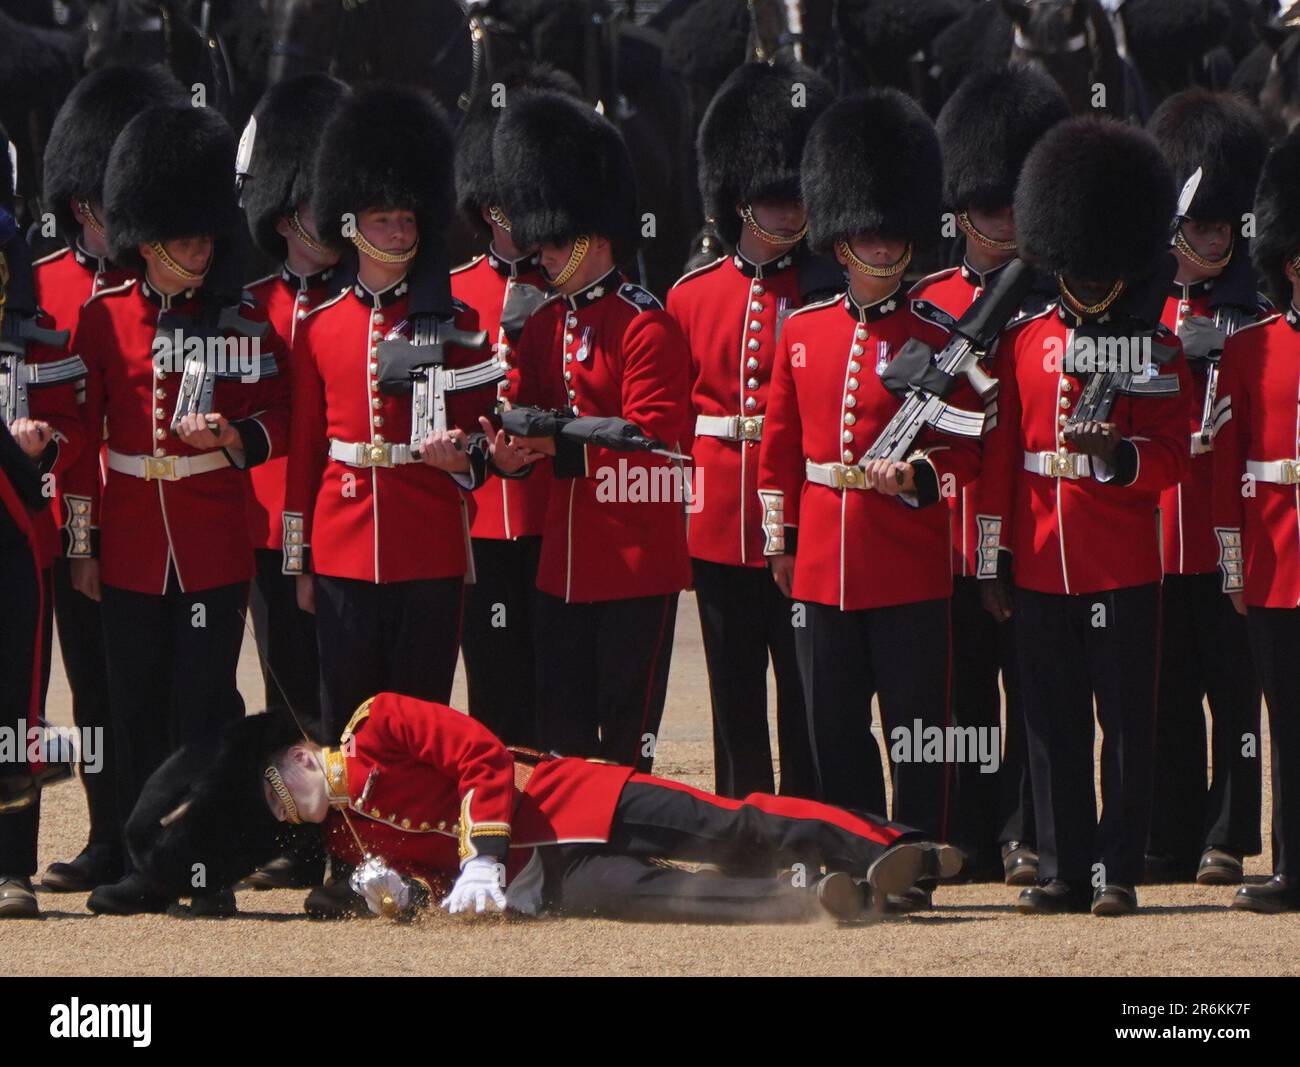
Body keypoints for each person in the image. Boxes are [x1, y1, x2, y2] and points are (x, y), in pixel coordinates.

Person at [113, 692, 962, 923]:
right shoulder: (346, 836)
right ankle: (813, 901)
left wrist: (481, 851)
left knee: (727, 825)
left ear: (299, 752)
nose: (288, 806)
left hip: (571, 798)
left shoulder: (377, 723)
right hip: (546, 880)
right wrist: (405, 899)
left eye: (279, 784)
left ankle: (888, 844)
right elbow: (425, 881)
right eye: (275, 810)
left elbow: (478, 751)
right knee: (665, 898)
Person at [757, 89, 983, 909]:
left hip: (908, 562)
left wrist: (919, 480)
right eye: (866, 231)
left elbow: (969, 453)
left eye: (892, 231)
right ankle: (851, 861)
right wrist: (779, 543)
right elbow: (779, 453)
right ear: (841, 237)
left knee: (918, 729)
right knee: (834, 728)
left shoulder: (937, 338)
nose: (881, 244)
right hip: (821, 558)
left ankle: (915, 862)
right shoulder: (805, 330)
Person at [65, 103, 293, 916]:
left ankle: (207, 868)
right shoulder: (102, 318)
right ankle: (143, 864)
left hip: (210, 545)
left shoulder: (243, 320)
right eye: (185, 238)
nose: (201, 251)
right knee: (135, 708)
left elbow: (282, 414)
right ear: (148, 238)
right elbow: (78, 443)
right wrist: (83, 546)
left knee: (205, 713)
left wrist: (235, 437)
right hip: (128, 543)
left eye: (206, 237)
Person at [977, 117, 1191, 916]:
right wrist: (992, 557)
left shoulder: (1155, 347)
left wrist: (1118, 455)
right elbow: (1001, 458)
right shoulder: (1026, 338)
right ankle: (1065, 867)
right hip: (1039, 558)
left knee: (1124, 727)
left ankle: (1118, 870)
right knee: (1050, 723)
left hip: (1121, 558)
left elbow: (1172, 453)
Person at [283, 83, 501, 743]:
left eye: (408, 220)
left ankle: (420, 847)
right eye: (383, 220)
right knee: (346, 715)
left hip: (429, 541)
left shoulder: (459, 322)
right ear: (351, 224)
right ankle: (352, 848)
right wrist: (301, 559)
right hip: (344, 544)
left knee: (422, 717)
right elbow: (305, 450)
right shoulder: (320, 325)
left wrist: (462, 460)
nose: (399, 232)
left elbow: (486, 437)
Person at [494, 89, 693, 772]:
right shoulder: (548, 324)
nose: (542, 254)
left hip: (633, 558)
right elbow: (520, 408)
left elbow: (650, 439)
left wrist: (553, 443)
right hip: (565, 561)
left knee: (625, 723)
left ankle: (629, 850)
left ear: (597, 235)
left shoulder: (645, 324)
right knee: (564, 721)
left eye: (555, 241)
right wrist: (509, 454)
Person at [912, 64, 1069, 885]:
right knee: (963, 698)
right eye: (989, 206)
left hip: (1029, 524)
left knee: (1035, 694)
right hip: (943, 528)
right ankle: (967, 827)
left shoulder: (1055, 307)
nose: (1003, 221)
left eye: (1016, 204)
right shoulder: (931, 299)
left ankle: (1029, 829)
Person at [35, 64, 187, 896]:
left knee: (156, 689)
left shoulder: (161, 288)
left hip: (148, 521)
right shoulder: (43, 283)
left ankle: (153, 836)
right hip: (67, 520)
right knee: (91, 692)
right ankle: (103, 831)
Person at [665, 58, 834, 801]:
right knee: (732, 688)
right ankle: (740, 819)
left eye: (799, 196)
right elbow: (673, 420)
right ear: (738, 200)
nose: (791, 212)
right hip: (716, 514)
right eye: (774, 197)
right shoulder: (691, 294)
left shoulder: (826, 291)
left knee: (802, 683)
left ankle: (802, 809)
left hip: (798, 510)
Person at [1144, 88, 1269, 887]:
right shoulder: (1143, 309)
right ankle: (1170, 830)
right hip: (1157, 526)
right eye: (1201, 225)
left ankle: (1229, 833)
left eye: (1224, 226)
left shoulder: (1254, 313)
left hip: (1226, 530)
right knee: (1163, 692)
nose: (1213, 238)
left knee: (1233, 692)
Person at [451, 65, 580, 747]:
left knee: (559, 687)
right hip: (482, 522)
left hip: (553, 513)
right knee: (493, 693)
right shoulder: (452, 290)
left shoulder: (571, 290)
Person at [239, 74, 350, 724]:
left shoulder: (361, 303)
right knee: (287, 698)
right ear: (284, 217)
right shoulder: (251, 307)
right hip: (268, 522)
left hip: (342, 521)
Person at [1211, 129, 1300, 914]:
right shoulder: (1250, 348)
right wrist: (1236, 570)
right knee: (1288, 723)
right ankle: (1294, 865)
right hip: (1276, 560)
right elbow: (1224, 470)